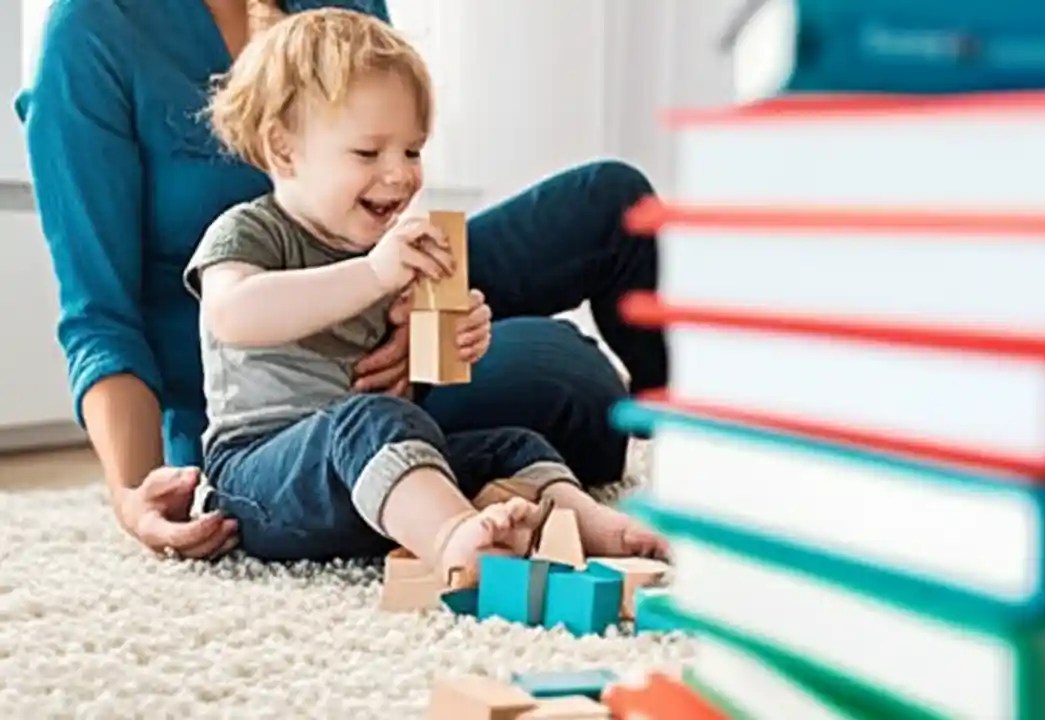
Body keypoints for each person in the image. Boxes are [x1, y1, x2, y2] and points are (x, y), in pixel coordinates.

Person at [16, 0, 667, 561]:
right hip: (268, 414)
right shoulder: (96, 31)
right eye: (375, 154)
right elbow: (123, 314)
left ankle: (637, 492)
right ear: (277, 147)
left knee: (613, 201)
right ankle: (451, 534)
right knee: (574, 385)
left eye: (412, 151)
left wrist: (427, 317)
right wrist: (135, 491)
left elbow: (380, 195)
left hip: (368, 330)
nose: (402, 168)